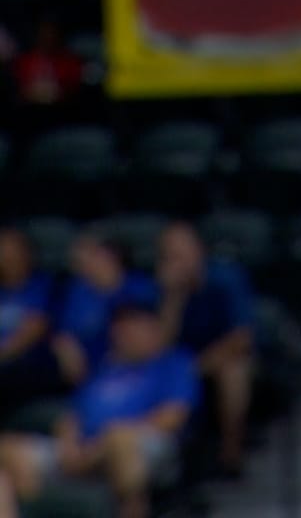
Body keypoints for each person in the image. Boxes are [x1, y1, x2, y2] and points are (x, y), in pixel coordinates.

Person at [0, 295, 199, 518]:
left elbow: (173, 417)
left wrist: (102, 444)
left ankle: (132, 510)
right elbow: (73, 414)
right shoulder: (106, 367)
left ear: (154, 329)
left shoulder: (174, 363)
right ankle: (37, 506)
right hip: (85, 449)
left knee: (119, 439)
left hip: (141, 444)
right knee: (6, 448)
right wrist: (69, 444)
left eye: (133, 324)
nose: (123, 332)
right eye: (120, 325)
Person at [155, 221, 253, 476]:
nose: (177, 261)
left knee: (234, 372)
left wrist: (199, 365)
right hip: (180, 363)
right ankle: (174, 463)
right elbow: (160, 346)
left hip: (222, 357)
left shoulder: (226, 278)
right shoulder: (165, 289)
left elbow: (241, 338)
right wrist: (173, 298)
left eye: (181, 253)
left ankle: (231, 453)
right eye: (170, 255)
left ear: (198, 251)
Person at [52, 231, 159, 386]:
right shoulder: (76, 292)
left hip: (135, 368)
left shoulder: (142, 288)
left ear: (111, 255)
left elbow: (152, 337)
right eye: (77, 259)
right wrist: (65, 347)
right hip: (88, 374)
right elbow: (64, 334)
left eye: (91, 253)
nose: (83, 261)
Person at [0, 227, 61, 421]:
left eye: (12, 249)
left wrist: (3, 353)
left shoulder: (43, 285)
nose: (7, 256)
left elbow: (34, 329)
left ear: (26, 253)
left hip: (30, 362)